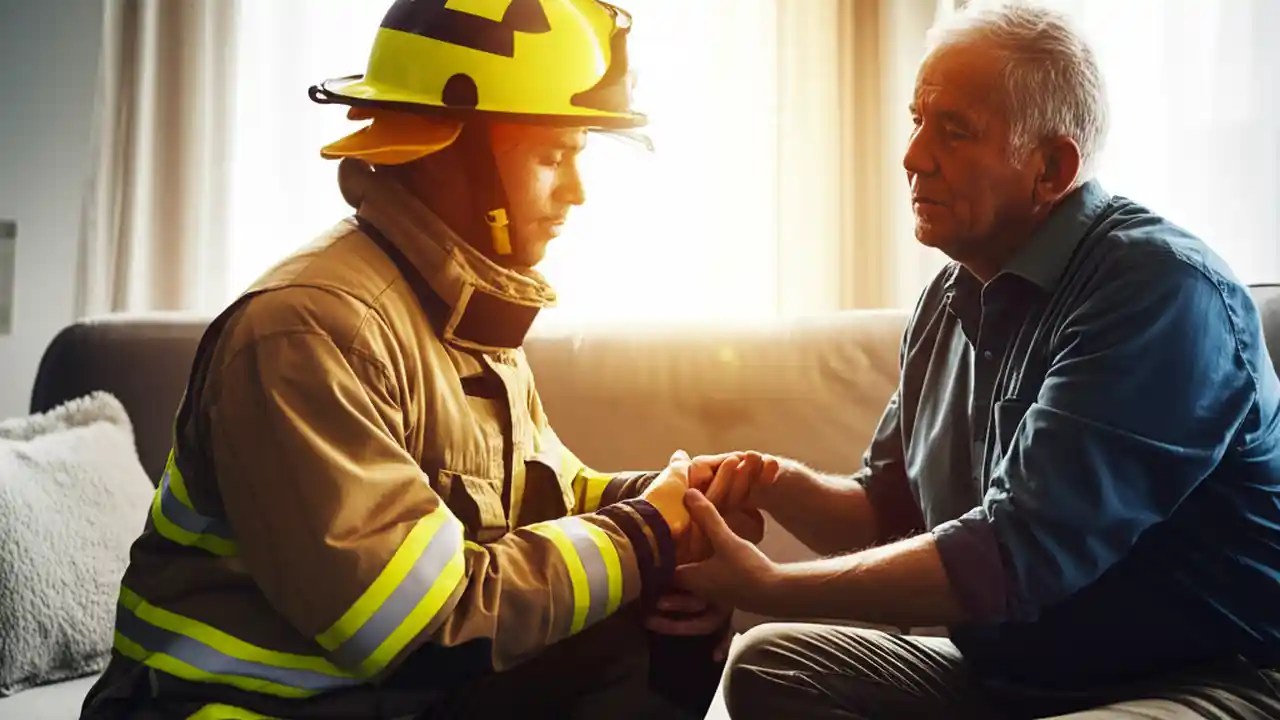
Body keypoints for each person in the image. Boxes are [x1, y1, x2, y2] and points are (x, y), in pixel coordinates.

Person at [80, 1, 754, 718]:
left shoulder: (459, 313)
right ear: (448, 154)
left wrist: (678, 506)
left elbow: (543, 499)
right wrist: (646, 533)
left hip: (362, 701)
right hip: (226, 708)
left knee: (653, 614)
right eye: (553, 156)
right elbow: (419, 625)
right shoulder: (310, 333)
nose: (576, 193)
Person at [675, 3, 1280, 718]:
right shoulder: (948, 300)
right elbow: (888, 514)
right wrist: (772, 483)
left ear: (1051, 167)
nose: (912, 156)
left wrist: (768, 586)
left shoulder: (1160, 291)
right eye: (917, 120)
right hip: (1011, 682)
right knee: (769, 664)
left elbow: (1014, 554)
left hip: (1200, 681)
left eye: (954, 131)